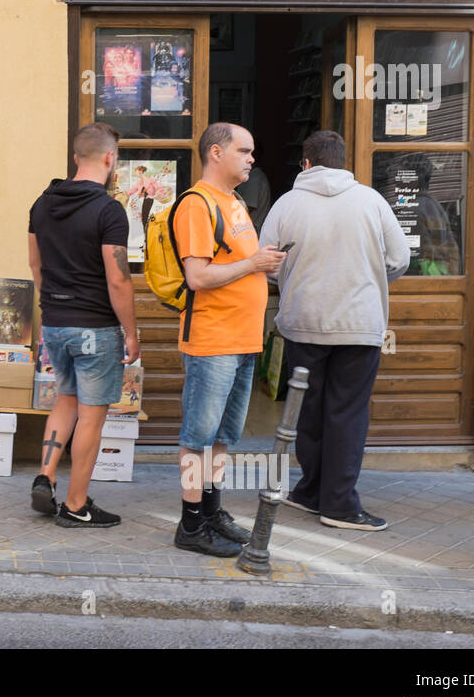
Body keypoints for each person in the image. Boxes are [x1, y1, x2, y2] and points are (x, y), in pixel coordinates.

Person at [260, 130, 410, 531]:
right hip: (358, 325)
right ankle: (339, 504)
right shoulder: (371, 201)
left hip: (302, 323)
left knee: (308, 411)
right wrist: (371, 279)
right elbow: (399, 258)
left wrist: (292, 282)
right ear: (345, 163)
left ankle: (310, 491)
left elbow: (265, 262)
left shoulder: (286, 204)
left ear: (305, 163)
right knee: (347, 413)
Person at [170, 123, 285, 556]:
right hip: (212, 339)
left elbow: (239, 264)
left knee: (222, 436)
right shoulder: (197, 205)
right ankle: (190, 524)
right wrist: (254, 263)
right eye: (245, 151)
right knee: (198, 436)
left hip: (242, 339)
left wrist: (261, 265)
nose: (252, 159)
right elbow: (197, 276)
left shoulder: (234, 201)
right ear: (216, 153)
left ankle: (212, 510)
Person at [28, 122, 141, 527]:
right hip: (95, 325)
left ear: (77, 157)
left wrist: (54, 305)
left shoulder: (42, 203)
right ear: (110, 159)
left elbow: (35, 264)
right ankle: (76, 506)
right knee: (92, 415)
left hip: (56, 323)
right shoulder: (109, 210)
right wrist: (131, 331)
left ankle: (45, 475)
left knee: (65, 399)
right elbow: (118, 278)